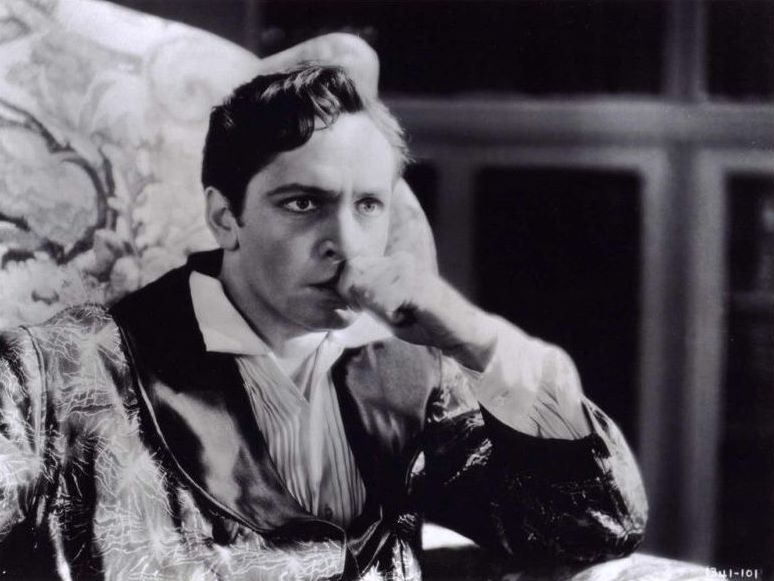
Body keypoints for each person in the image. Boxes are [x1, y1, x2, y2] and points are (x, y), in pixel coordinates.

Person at [0, 64, 647, 580]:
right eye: (304, 203)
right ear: (225, 217)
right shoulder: (55, 372)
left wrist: (477, 339)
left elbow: (593, 526)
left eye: (367, 205)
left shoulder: (414, 375)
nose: (346, 243)